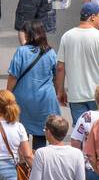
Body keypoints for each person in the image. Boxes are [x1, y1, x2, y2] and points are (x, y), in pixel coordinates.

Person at [55, 3, 99, 123]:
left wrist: (60, 91)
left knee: (81, 133)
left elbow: (60, 68)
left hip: (75, 95)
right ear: (92, 17)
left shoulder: (67, 36)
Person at [5, 21, 59, 150]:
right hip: (45, 99)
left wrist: (7, 94)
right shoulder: (50, 52)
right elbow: (56, 75)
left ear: (28, 35)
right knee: (41, 133)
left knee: (21, 133)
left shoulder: (22, 51)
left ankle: (23, 165)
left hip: (23, 99)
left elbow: (13, 76)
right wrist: (59, 92)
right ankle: (37, 165)